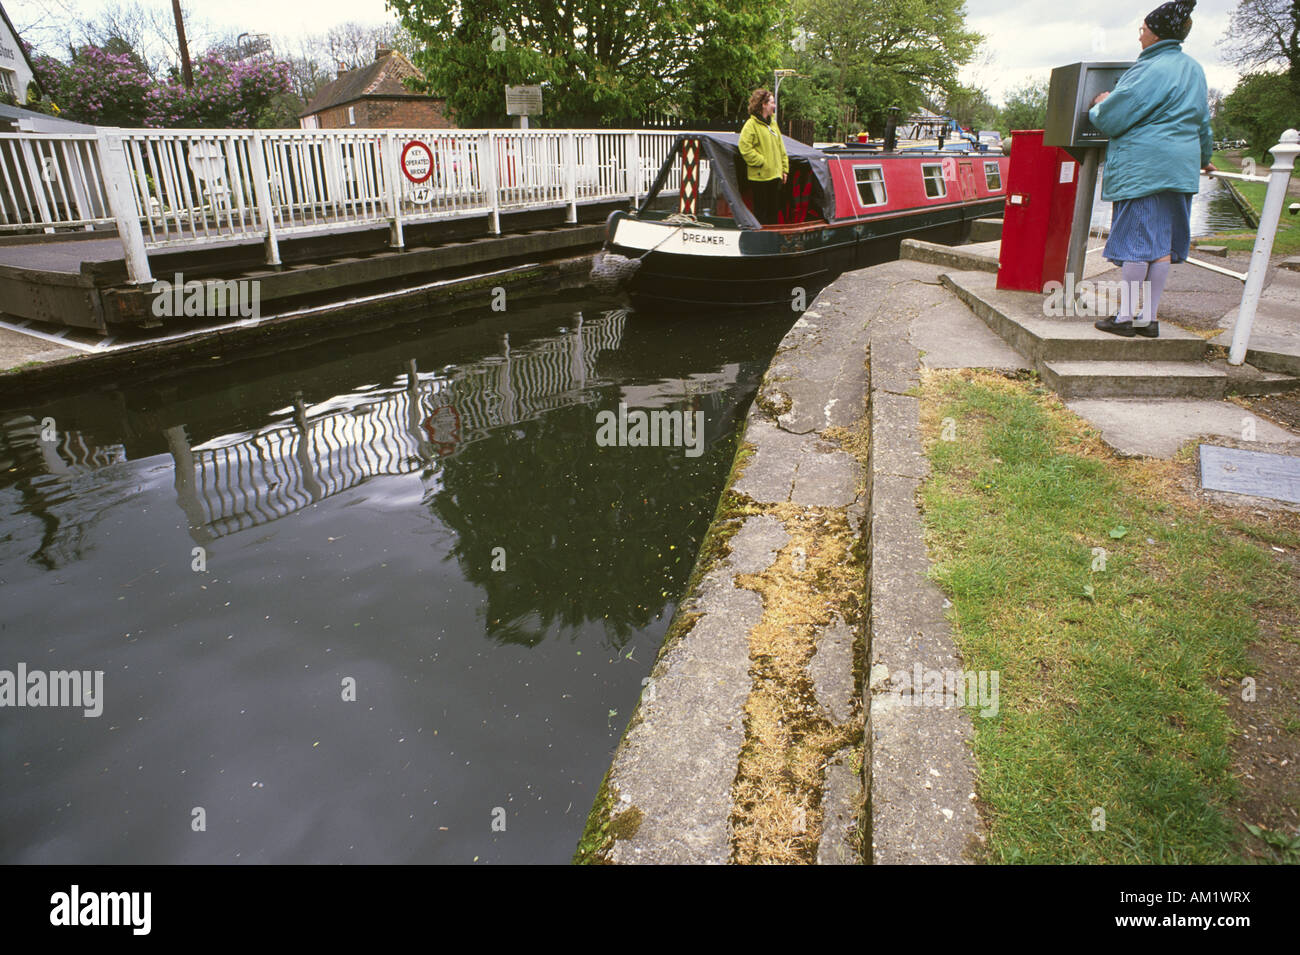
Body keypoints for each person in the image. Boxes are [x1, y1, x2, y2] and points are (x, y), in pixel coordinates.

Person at [1088, 0, 1214, 338]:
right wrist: (1203, 158)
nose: (1140, 35)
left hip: (1144, 169)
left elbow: (1114, 117)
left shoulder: (1148, 69)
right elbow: (1203, 122)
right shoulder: (1194, 69)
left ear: (1156, 35)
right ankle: (1149, 317)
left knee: (1135, 244)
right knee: (1160, 246)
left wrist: (1099, 106)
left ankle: (1126, 318)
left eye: (1143, 29)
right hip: (1179, 170)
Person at [739, 89, 789, 226]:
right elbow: (744, 147)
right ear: (764, 104)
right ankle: (761, 241)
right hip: (760, 177)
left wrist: (784, 169)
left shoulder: (773, 124)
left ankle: (772, 241)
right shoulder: (751, 125)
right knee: (761, 213)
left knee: (774, 212)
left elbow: (781, 147)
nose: (775, 106)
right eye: (772, 102)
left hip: (775, 175)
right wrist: (761, 161)